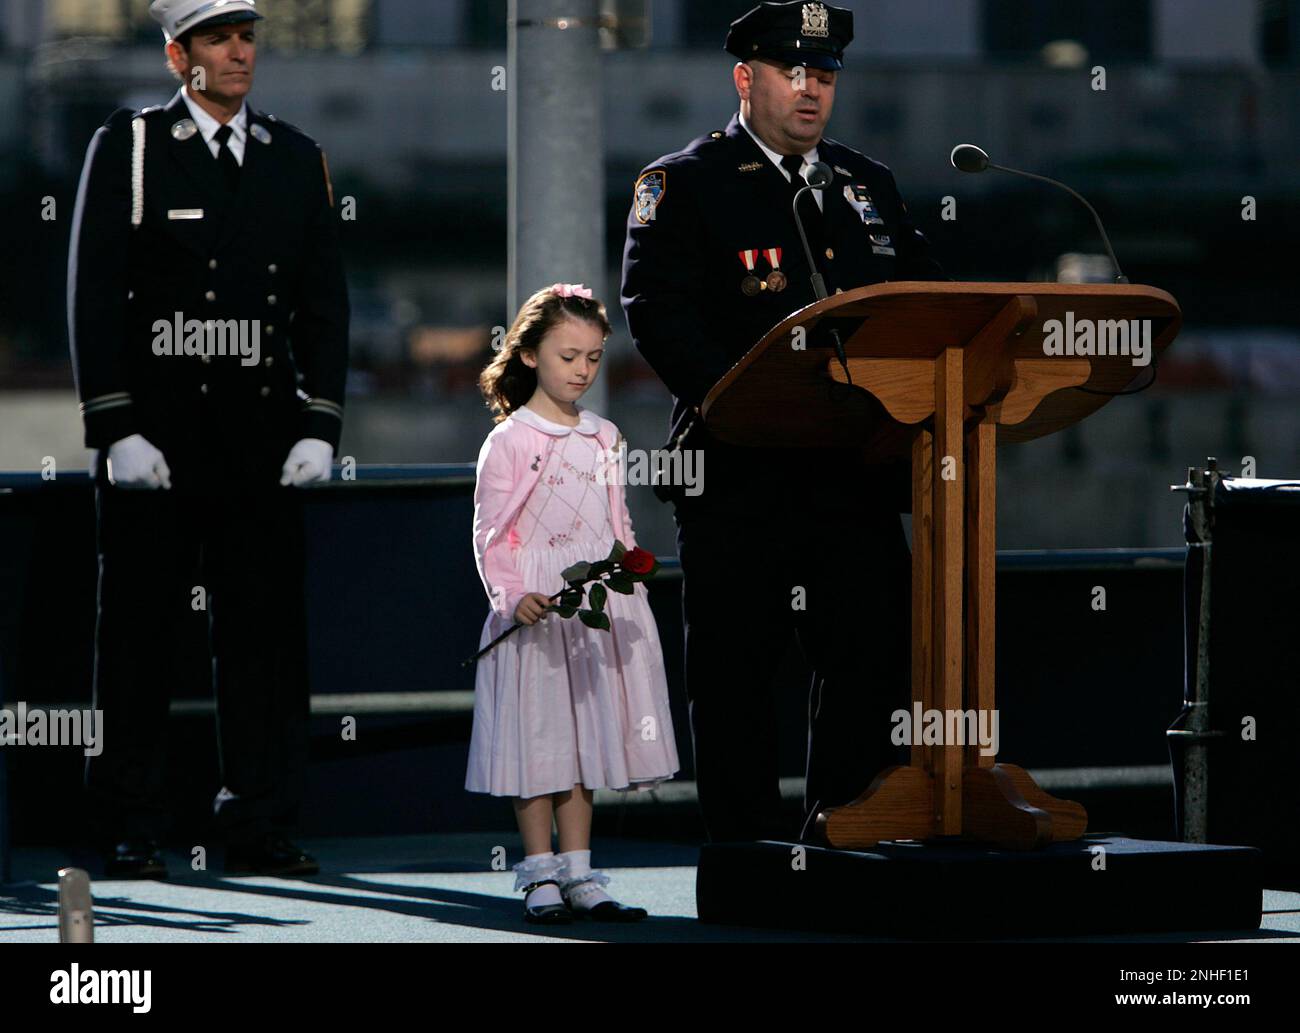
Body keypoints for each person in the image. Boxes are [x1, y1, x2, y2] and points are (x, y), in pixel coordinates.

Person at [621, 0, 948, 843]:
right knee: (734, 684)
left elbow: (921, 303)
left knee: (869, 669)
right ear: (745, 77)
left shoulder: (864, 183)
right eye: (791, 71)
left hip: (854, 475)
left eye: (825, 73)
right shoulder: (682, 183)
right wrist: (744, 405)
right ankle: (742, 864)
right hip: (740, 475)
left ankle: (840, 841)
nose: (811, 89)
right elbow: (655, 312)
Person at [67, 0, 349, 878]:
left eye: (248, 37)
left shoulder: (295, 157)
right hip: (159, 436)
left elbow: (323, 303)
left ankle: (259, 818)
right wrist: (114, 424)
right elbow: (92, 290)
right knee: (140, 639)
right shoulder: (135, 146)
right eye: (220, 40)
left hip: (260, 439)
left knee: (265, 639)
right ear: (175, 54)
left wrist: (321, 421)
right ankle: (126, 820)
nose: (239, 53)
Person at [468, 283, 679, 923]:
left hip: (594, 606)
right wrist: (510, 598)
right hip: (537, 607)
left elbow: (617, 525)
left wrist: (629, 576)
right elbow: (490, 534)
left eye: (592, 358)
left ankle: (582, 873)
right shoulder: (509, 440)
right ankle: (538, 874)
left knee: (584, 741)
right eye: (568, 357)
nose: (582, 371)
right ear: (530, 355)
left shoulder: (605, 436)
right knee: (540, 741)